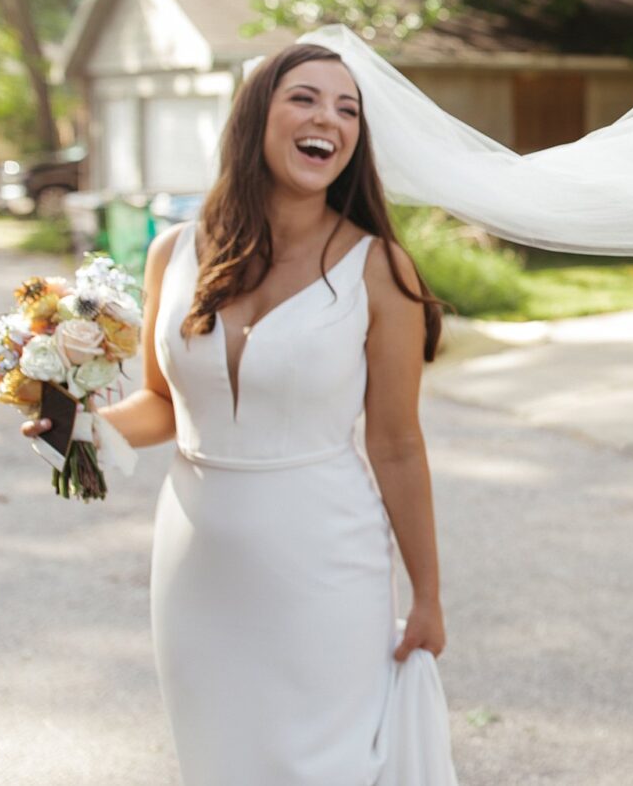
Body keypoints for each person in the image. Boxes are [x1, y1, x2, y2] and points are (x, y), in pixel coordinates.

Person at [22, 43, 458, 785]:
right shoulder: (173, 253)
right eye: (304, 98)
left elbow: (395, 445)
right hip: (196, 566)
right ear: (255, 116)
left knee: (327, 766)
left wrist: (427, 596)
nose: (328, 119)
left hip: (326, 562)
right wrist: (78, 427)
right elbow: (165, 405)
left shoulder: (380, 267)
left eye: (347, 109)